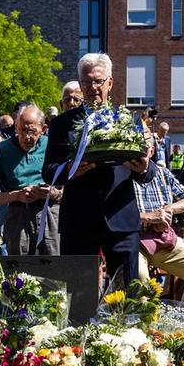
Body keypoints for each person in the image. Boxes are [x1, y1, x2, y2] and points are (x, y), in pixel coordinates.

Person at [43, 53, 148, 281]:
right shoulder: (61, 124)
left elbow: (150, 172)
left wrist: (143, 169)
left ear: (110, 82)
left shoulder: (130, 120)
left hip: (121, 219)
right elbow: (48, 172)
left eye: (98, 81)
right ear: (80, 85)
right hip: (78, 221)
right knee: (78, 293)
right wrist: (70, 169)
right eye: (87, 81)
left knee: (127, 293)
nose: (92, 87)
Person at [134, 132, 184, 289]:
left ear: (151, 151)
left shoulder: (162, 173)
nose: (136, 156)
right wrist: (148, 217)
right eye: (134, 150)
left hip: (163, 240)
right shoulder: (121, 174)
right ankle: (146, 307)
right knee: (141, 278)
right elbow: (113, 214)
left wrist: (168, 209)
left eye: (142, 150)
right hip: (135, 241)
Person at [0, 103, 60, 255]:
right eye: (22, 130)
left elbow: (66, 188)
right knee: (18, 264)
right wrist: (18, 195)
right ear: (16, 126)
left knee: (53, 262)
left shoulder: (52, 146)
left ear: (44, 129)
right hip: (17, 213)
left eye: (32, 131)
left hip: (49, 211)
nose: (26, 137)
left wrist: (53, 193)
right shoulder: (1, 151)